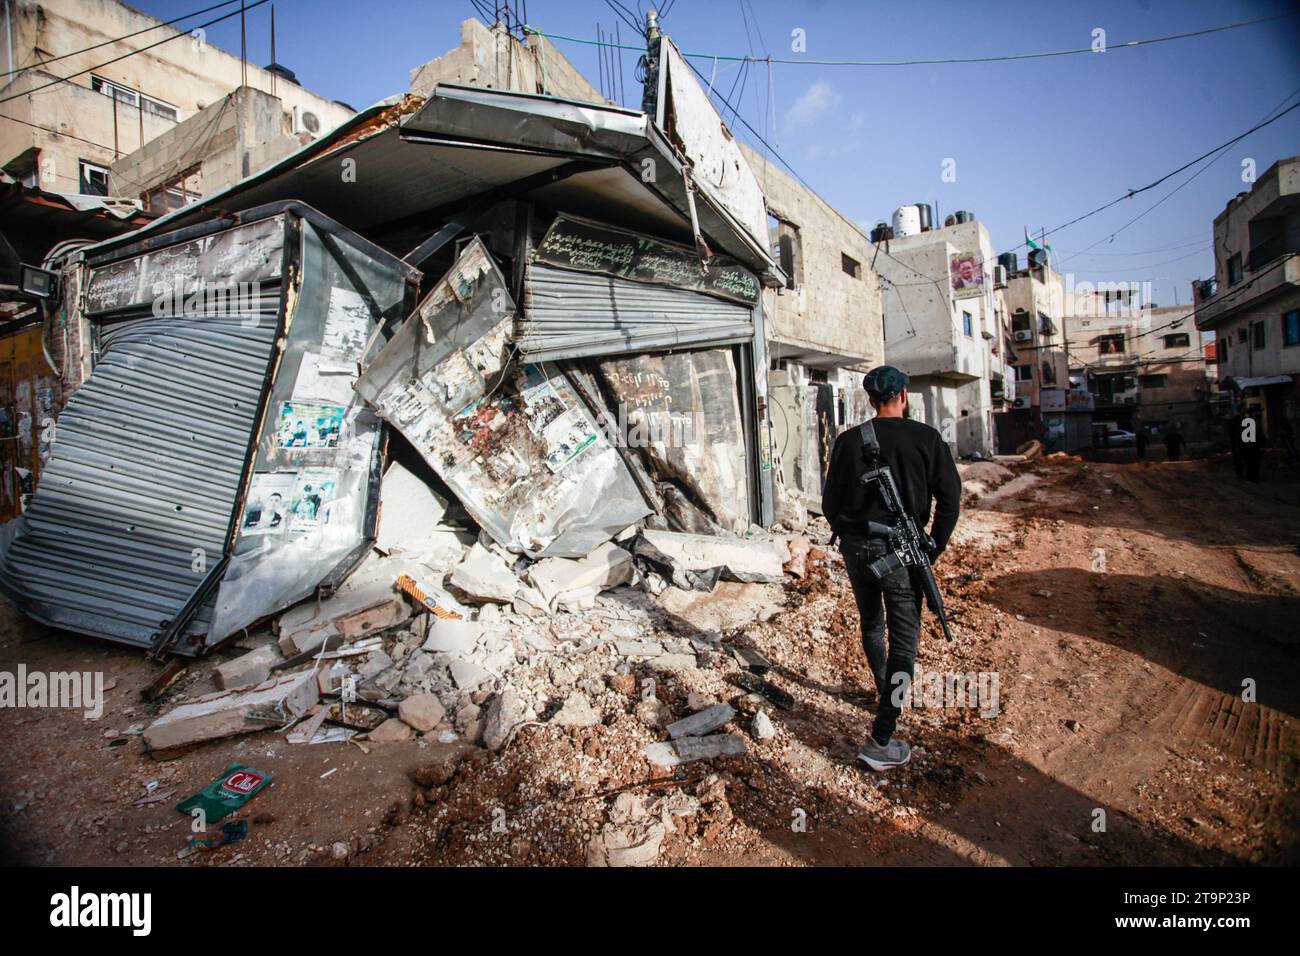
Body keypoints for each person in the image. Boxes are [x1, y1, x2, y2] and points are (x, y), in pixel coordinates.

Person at [821, 366, 962, 771]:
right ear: (903, 395)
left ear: (870, 401)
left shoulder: (849, 442)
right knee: (905, 641)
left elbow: (831, 504)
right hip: (901, 551)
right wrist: (931, 548)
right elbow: (950, 501)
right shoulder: (926, 438)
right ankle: (881, 738)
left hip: (857, 548)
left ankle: (885, 689)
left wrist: (854, 535)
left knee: (871, 621)